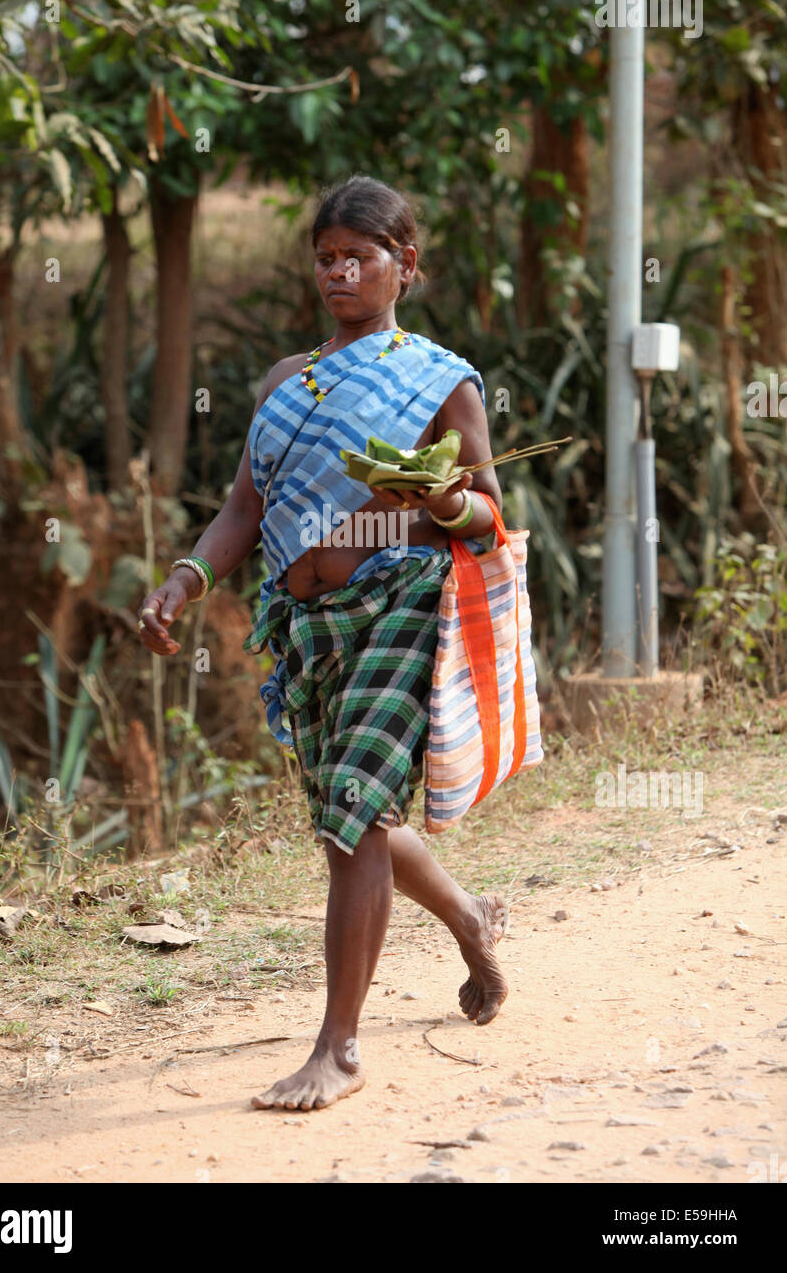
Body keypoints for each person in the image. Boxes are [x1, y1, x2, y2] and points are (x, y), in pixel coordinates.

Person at [138, 175, 509, 1112]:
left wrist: (434, 501)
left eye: (361, 256)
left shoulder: (440, 379)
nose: (340, 271)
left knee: (352, 815)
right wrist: (186, 580)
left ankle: (337, 1049)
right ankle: (469, 915)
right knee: (361, 820)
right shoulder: (284, 384)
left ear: (405, 266)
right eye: (326, 257)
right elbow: (243, 509)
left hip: (400, 608)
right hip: (305, 627)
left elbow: (487, 514)